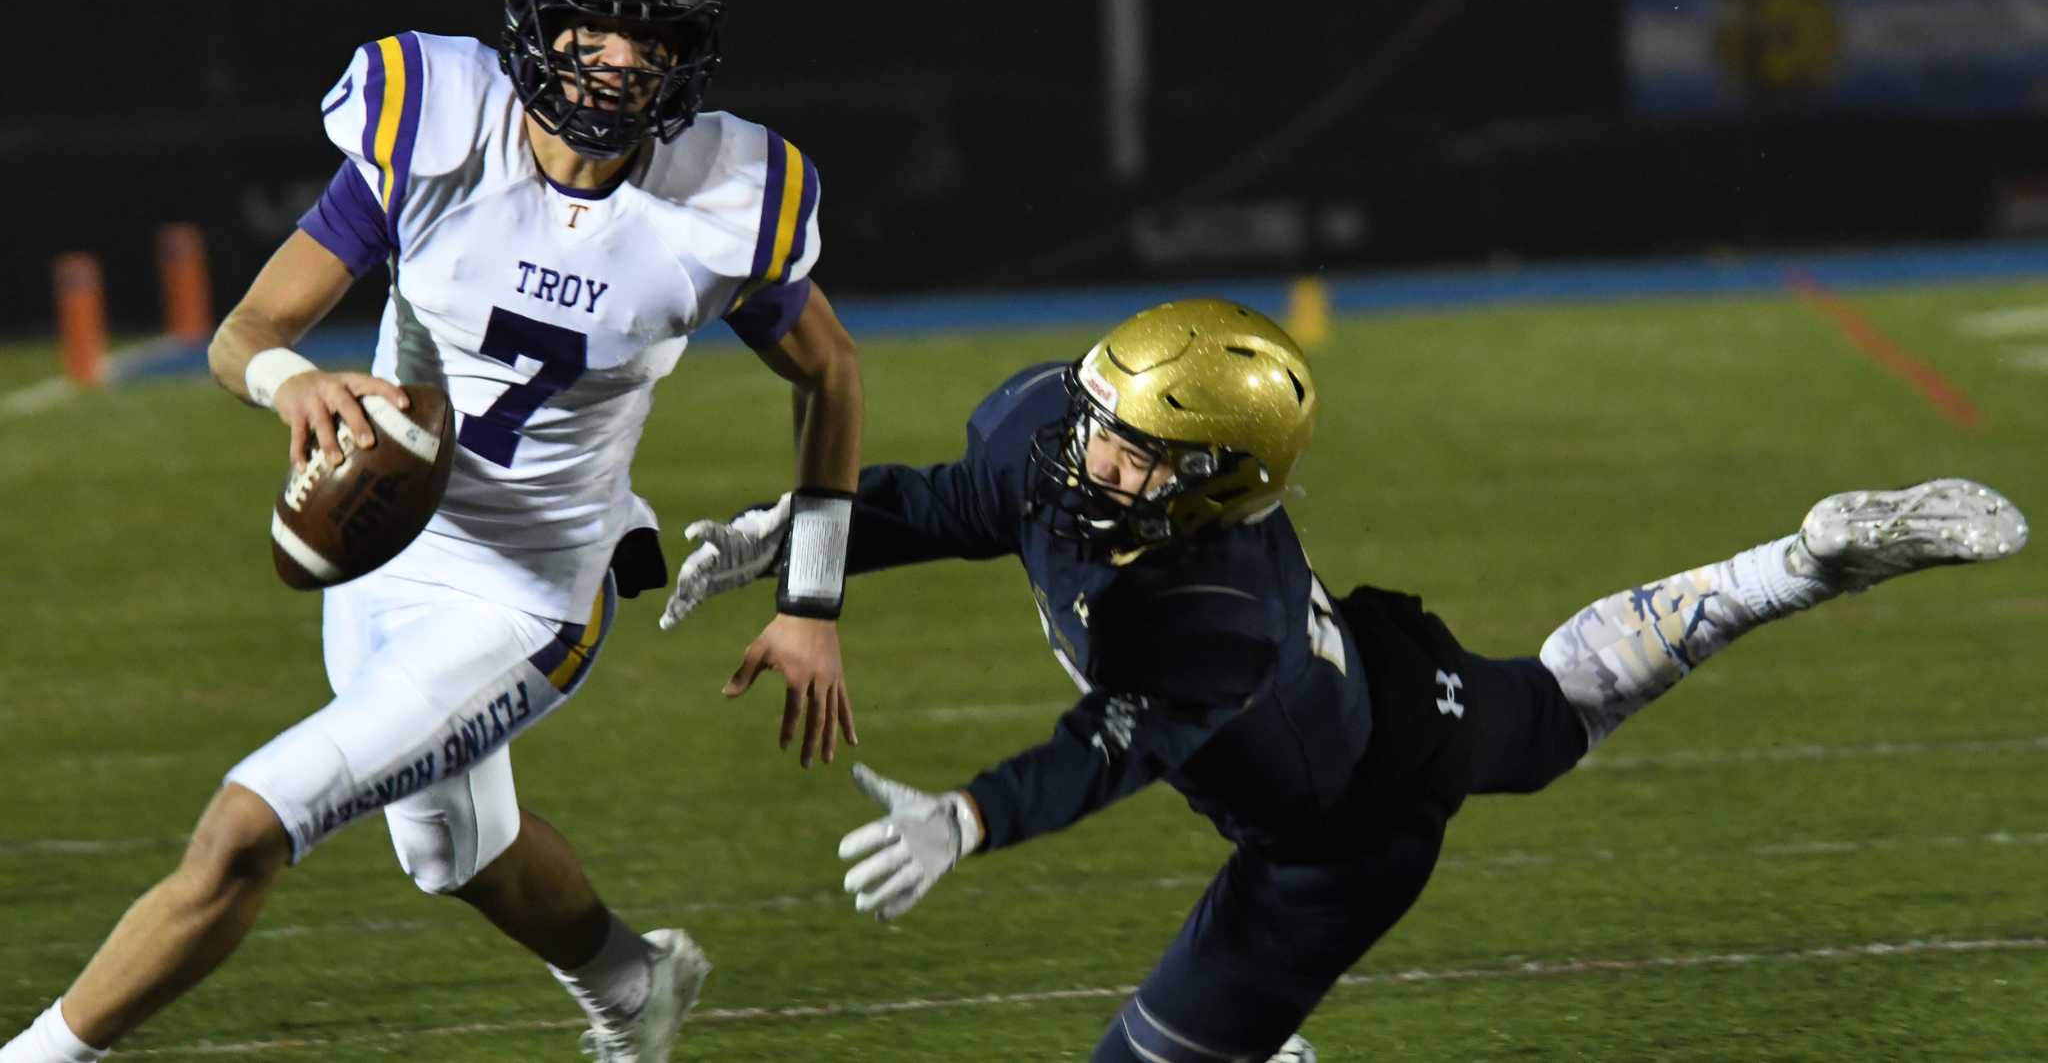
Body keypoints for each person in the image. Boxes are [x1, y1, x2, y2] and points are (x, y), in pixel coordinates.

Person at [663, 296, 2029, 1063]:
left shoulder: (1209, 609)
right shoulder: (1062, 443)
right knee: (1554, 714)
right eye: (1098, 425)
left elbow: (1113, 744)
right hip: (1385, 671)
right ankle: (1807, 561)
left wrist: (965, 818)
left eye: (1141, 455)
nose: (1095, 463)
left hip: (1333, 837)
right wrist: (792, 542)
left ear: (1219, 488)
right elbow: (951, 498)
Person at [1, 0, 865, 1063]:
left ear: (686, 59)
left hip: (528, 595)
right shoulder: (435, 124)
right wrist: (293, 382)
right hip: (387, 535)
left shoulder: (723, 203)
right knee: (451, 851)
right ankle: (636, 980)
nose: (619, 66)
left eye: (652, 41)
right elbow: (243, 329)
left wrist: (812, 600)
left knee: (246, 829)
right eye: (593, 32)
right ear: (533, 28)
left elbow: (831, 373)